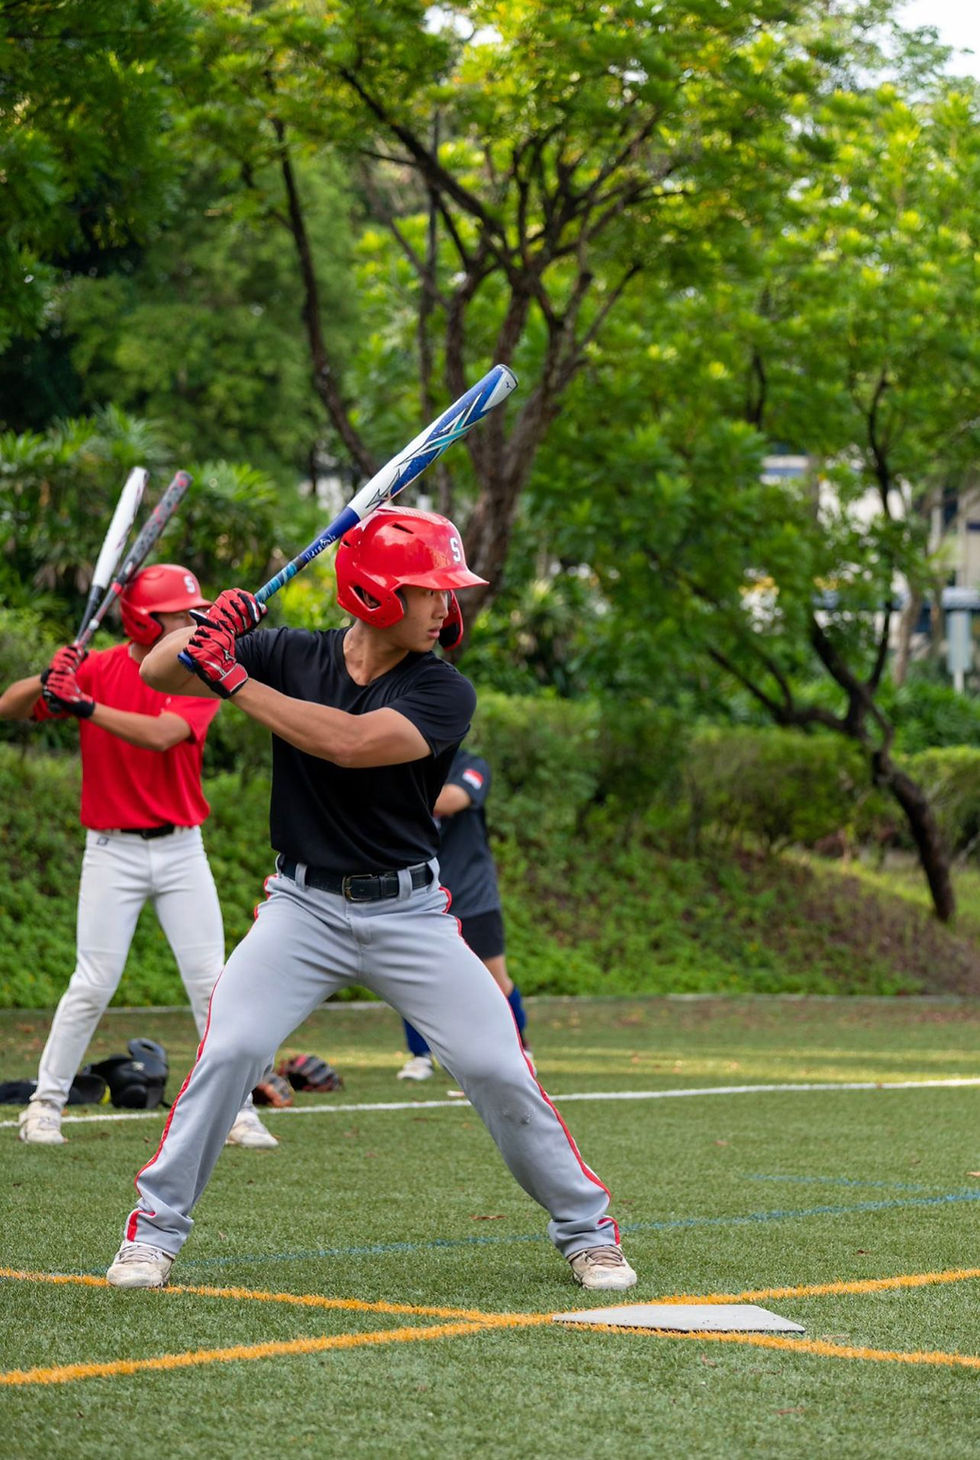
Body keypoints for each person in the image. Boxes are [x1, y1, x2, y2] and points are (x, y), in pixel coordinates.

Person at [105, 506, 636, 1294]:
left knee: (496, 1065)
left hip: (409, 914)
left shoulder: (443, 689)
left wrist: (236, 677)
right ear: (379, 594)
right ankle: (154, 1234)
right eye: (430, 591)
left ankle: (587, 1232)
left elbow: (348, 745)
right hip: (302, 909)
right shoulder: (288, 651)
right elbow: (158, 674)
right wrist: (211, 628)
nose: (445, 607)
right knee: (230, 1053)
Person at [0, 564, 277, 1151]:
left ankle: (237, 1111)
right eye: (180, 613)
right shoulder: (97, 669)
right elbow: (11, 705)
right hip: (111, 851)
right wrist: (52, 679)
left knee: (210, 982)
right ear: (144, 620)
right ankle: (44, 1105)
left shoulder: (195, 669)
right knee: (93, 982)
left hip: (181, 848)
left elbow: (163, 734)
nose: (193, 620)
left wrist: (84, 708)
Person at [397, 745, 532, 1080]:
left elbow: (452, 799)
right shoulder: (402, 762)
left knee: (494, 978)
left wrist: (388, 792)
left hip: (472, 894)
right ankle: (420, 1056)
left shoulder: (472, 766)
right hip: (420, 892)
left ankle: (520, 1047)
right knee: (409, 979)